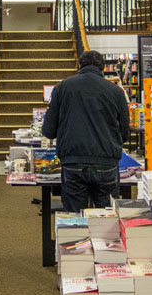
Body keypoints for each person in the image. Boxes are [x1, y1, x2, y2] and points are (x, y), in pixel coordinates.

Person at [41, 50, 130, 212]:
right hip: (106, 162)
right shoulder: (116, 92)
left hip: (73, 161)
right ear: (103, 68)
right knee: (107, 217)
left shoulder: (62, 88)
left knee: (75, 218)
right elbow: (125, 132)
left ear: (79, 65)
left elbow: (49, 130)